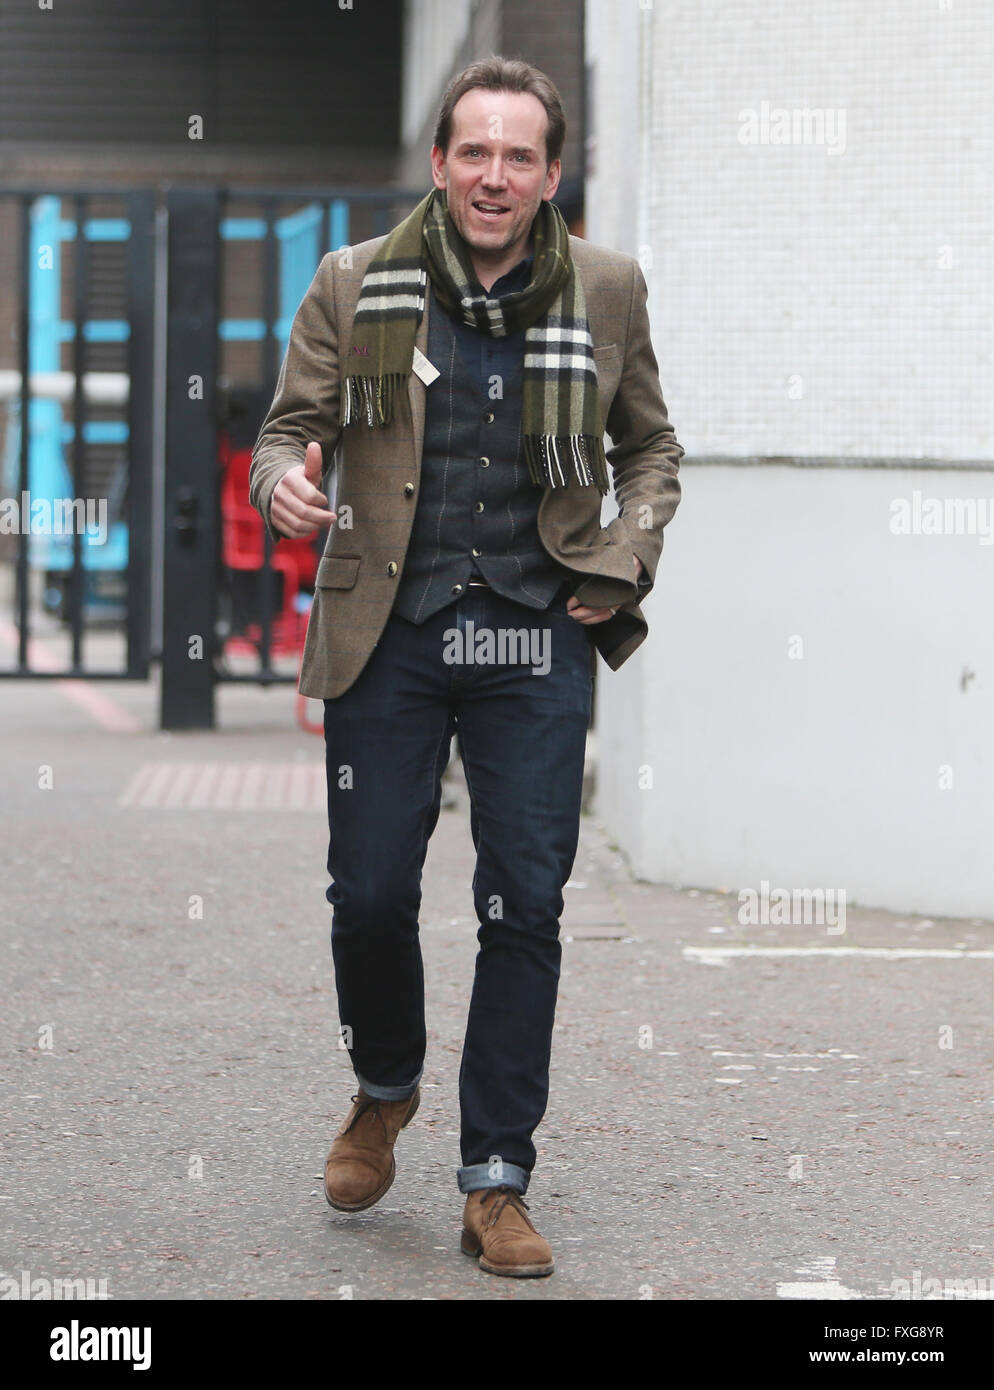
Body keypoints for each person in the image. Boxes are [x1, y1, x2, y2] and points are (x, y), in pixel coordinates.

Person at [249, 54, 683, 1279]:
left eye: (520, 156)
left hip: (535, 632)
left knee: (523, 902)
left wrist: (622, 558)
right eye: (474, 151)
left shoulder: (605, 289)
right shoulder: (353, 281)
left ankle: (496, 1176)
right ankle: (384, 1084)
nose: (495, 175)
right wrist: (284, 479)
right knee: (372, 891)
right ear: (440, 162)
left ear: (552, 174)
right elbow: (289, 429)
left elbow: (650, 450)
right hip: (388, 626)